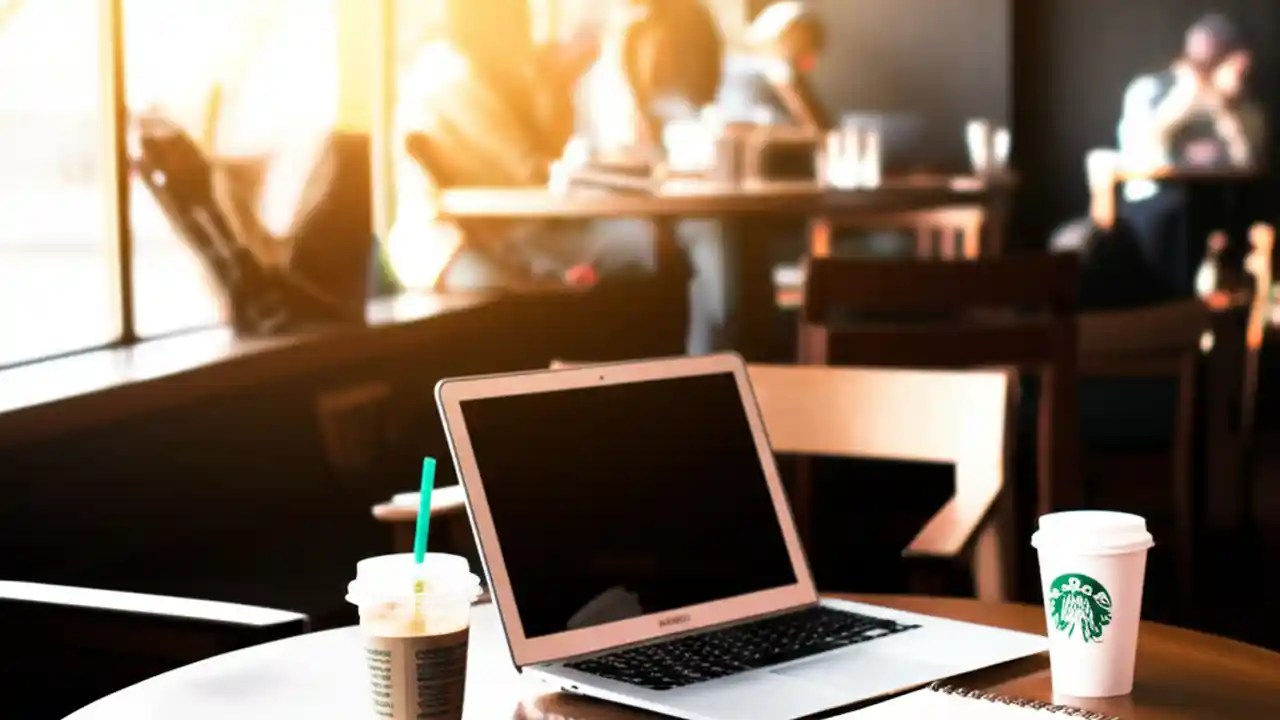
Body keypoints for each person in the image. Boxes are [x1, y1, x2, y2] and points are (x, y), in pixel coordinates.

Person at [1116, 13, 1267, 291]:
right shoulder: (1148, 90)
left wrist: (1225, 111)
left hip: (1219, 203)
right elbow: (1141, 155)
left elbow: (1249, 164)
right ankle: (1176, 312)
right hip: (1156, 203)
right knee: (1178, 213)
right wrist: (1185, 98)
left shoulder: (1243, 105)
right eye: (1201, 64)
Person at [717, 1, 831, 131]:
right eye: (801, 37)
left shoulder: (743, 59)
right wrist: (819, 133)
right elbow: (803, 114)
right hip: (751, 133)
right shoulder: (773, 65)